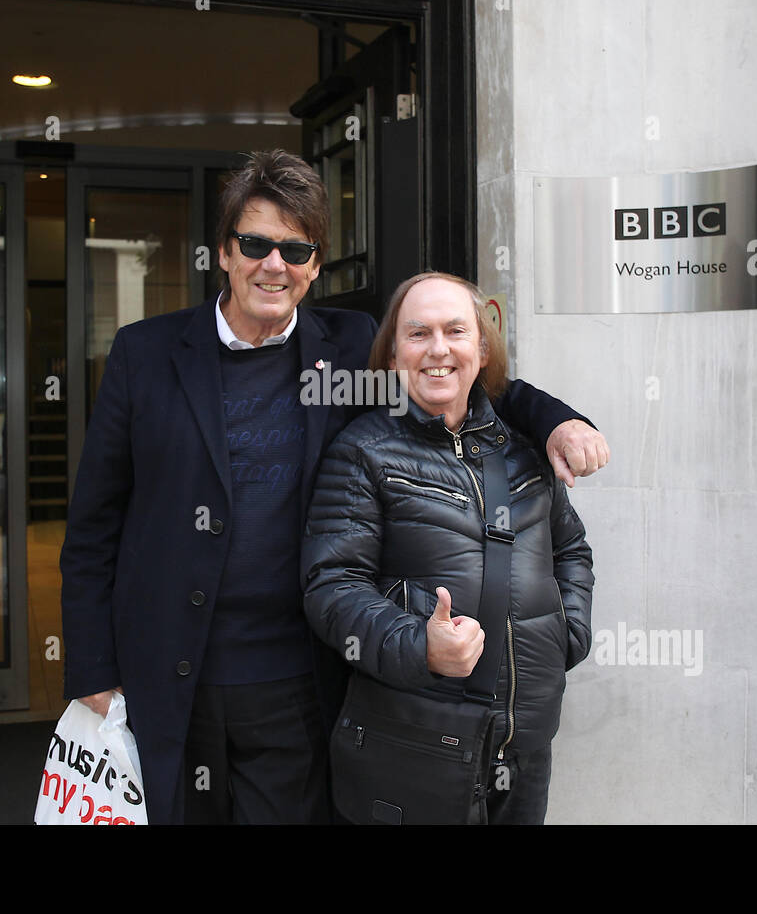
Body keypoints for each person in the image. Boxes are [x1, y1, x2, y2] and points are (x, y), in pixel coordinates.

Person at [59, 149, 608, 825]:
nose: (274, 265)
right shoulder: (145, 354)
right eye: (255, 244)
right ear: (224, 254)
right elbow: (93, 525)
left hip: (297, 678)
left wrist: (557, 421)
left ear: (315, 266)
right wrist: (90, 666)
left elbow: (461, 374)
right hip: (170, 671)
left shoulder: (347, 349)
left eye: (296, 250)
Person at [301, 272, 594, 824]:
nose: (439, 349)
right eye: (418, 334)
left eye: (455, 331)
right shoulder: (363, 451)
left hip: (523, 748)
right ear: (392, 357)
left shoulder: (525, 448)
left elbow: (571, 548)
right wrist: (419, 645)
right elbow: (332, 587)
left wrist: (567, 633)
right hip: (411, 748)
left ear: (481, 350)